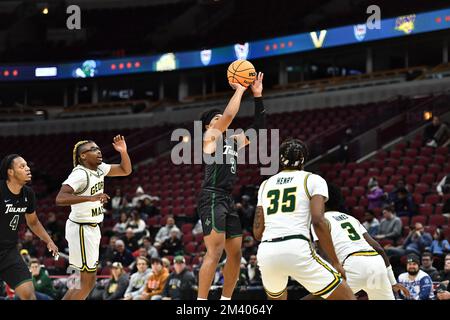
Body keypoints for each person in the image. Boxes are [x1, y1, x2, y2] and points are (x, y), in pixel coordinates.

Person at [253, 138, 355, 300]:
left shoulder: (265, 185)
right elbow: (318, 220)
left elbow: (258, 233)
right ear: (303, 160)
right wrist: (335, 262)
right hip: (297, 247)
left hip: (267, 251)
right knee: (347, 297)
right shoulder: (313, 179)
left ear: (279, 159)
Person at [197, 73, 266, 300]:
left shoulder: (232, 141)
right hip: (212, 196)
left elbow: (257, 129)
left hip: (227, 198)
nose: (222, 120)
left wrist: (257, 96)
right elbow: (228, 115)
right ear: (209, 125)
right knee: (215, 252)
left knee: (235, 254)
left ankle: (226, 301)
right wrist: (239, 90)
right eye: (216, 118)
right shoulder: (209, 138)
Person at [55, 135, 132, 300]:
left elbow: (125, 170)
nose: (98, 151)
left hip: (90, 228)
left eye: (98, 148)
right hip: (82, 229)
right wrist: (90, 198)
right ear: (83, 156)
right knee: (86, 282)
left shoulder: (99, 168)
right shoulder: (80, 174)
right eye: (93, 149)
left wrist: (123, 152)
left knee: (82, 283)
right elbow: (60, 198)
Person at [309, 183, 408, 300]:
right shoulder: (351, 219)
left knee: (321, 296)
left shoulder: (319, 221)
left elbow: (324, 254)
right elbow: (378, 248)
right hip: (376, 263)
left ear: (322, 201)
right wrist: (392, 281)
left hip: (352, 263)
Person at [0, 154, 59, 300]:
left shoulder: (28, 193)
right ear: (10, 172)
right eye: (22, 166)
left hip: (9, 252)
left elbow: (33, 222)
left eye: (27, 165)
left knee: (28, 294)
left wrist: (48, 240)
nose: (27, 169)